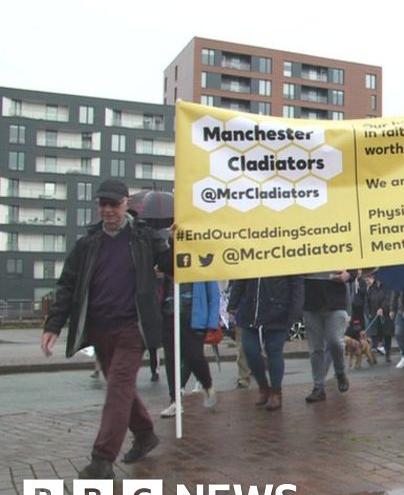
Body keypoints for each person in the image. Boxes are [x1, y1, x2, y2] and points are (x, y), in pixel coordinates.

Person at [41, 179, 170, 479]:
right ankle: (146, 434)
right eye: (103, 204)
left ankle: (101, 460)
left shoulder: (145, 238)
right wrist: (53, 326)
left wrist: (177, 243)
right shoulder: (88, 244)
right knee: (120, 389)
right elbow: (67, 286)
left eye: (114, 204)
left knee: (117, 391)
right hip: (100, 331)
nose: (108, 210)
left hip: (132, 329)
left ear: (127, 204)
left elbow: (173, 265)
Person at [228, 275, 304, 411]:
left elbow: (296, 284)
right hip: (251, 312)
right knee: (249, 349)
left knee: (274, 350)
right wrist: (232, 305)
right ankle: (263, 386)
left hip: (279, 312)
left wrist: (295, 312)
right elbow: (240, 279)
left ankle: (276, 392)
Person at [159, 278, 220, 417]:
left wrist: (212, 323)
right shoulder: (169, 263)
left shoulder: (202, 264)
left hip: (193, 318)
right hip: (170, 314)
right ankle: (175, 400)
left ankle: (207, 385)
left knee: (194, 356)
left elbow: (214, 295)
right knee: (171, 358)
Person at [302, 271, 354, 403]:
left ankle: (340, 371)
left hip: (335, 302)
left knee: (335, 341)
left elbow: (355, 264)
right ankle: (318, 387)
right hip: (311, 302)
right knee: (315, 348)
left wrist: (349, 274)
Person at [363, 273, 395, 363]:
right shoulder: (371, 288)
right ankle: (372, 355)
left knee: (387, 335)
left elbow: (387, 299)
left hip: (385, 315)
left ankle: (387, 353)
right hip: (373, 314)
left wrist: (382, 308)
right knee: (374, 335)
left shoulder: (387, 287)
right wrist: (368, 312)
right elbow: (367, 301)